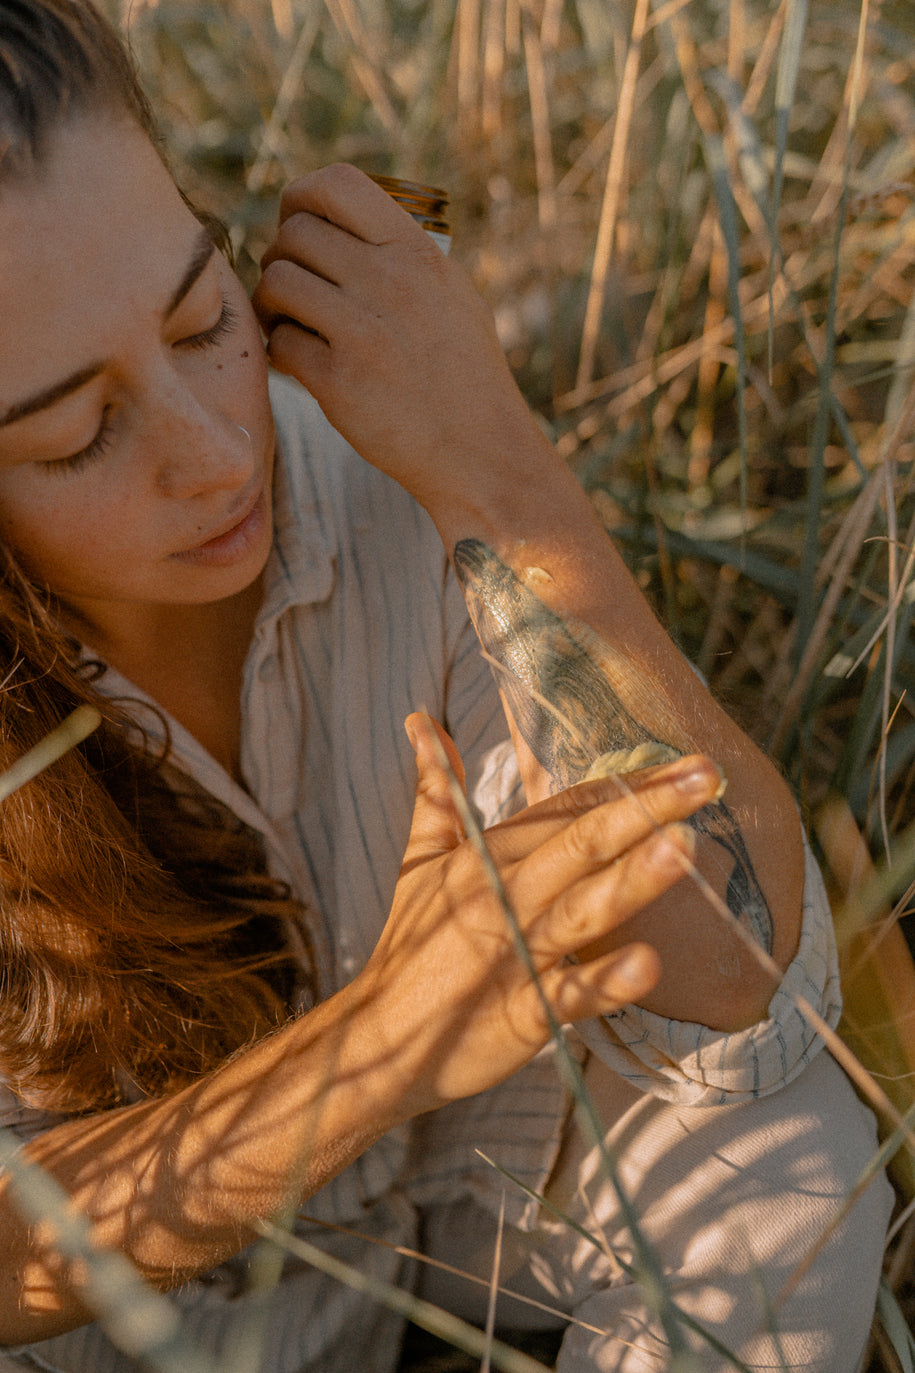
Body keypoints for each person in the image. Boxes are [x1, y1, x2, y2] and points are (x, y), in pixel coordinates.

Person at [0, 2, 894, 1369]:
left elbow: (745, 997)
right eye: (78, 433)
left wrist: (500, 471)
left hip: (475, 1196)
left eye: (201, 317)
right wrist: (385, 1041)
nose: (219, 453)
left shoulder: (382, 454)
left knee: (793, 1172)